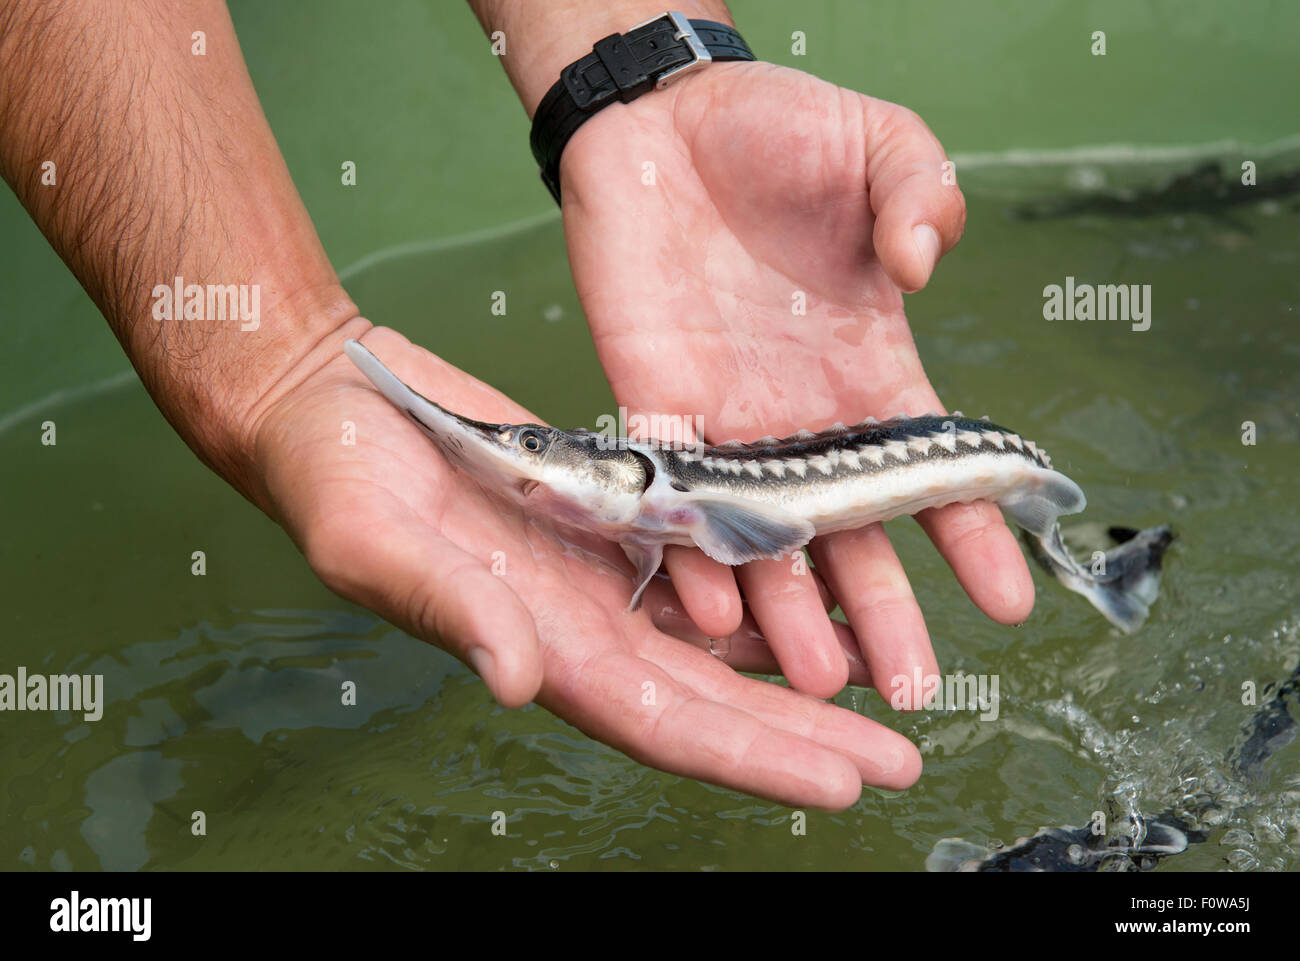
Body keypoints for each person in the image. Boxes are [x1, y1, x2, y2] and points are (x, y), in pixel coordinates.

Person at [0, 0, 1032, 810]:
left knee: (976, 491)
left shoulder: (659, 495)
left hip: (923, 455)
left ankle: (1041, 503)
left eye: (540, 449)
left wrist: (630, 71)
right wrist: (275, 356)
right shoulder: (646, 507)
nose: (523, 459)